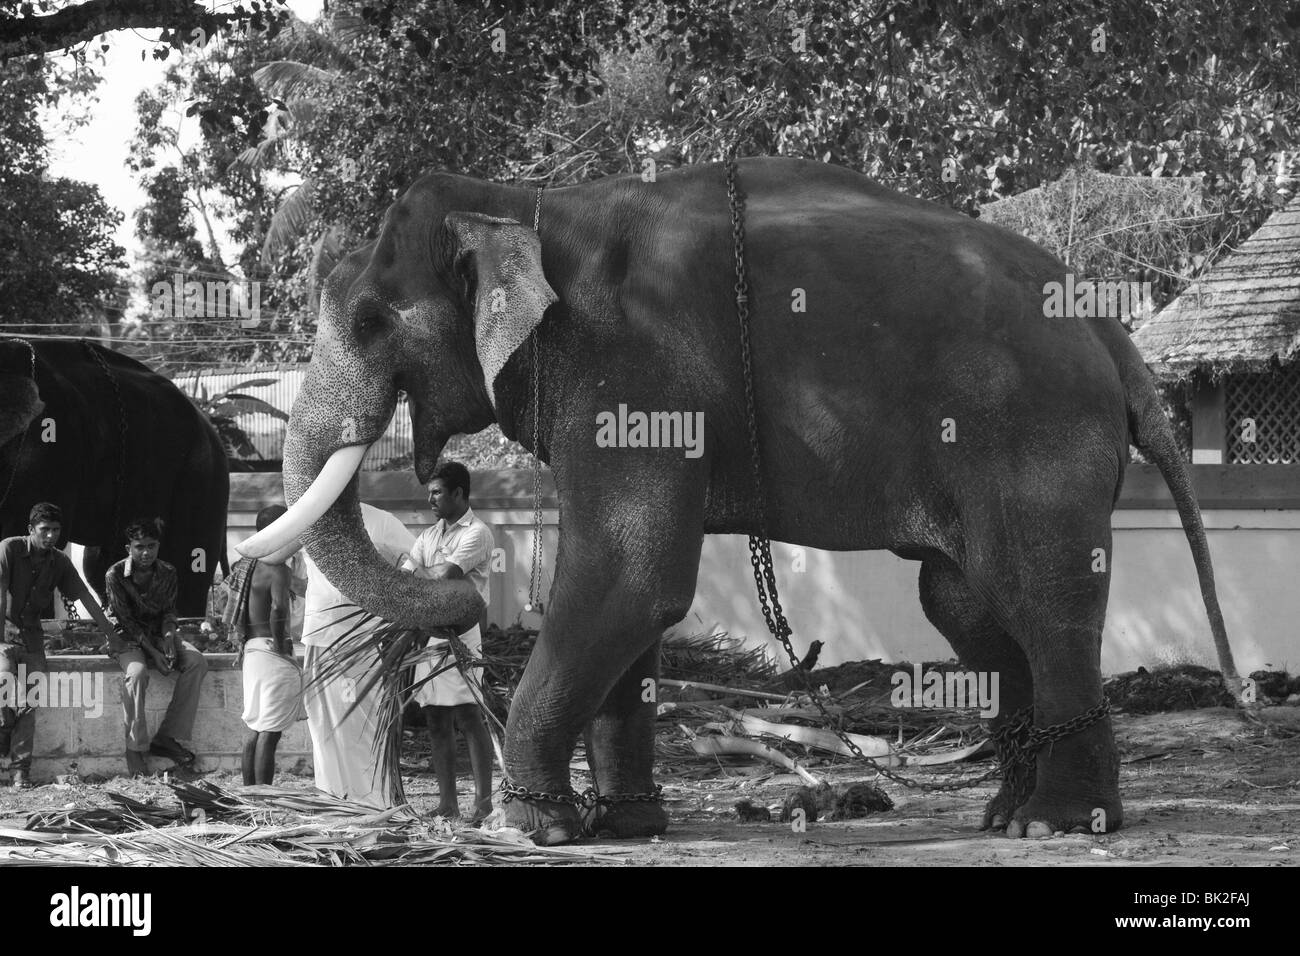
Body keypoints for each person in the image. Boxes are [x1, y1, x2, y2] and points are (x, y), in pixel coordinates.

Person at [400, 461, 496, 822]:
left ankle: (483, 803)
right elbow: (408, 579)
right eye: (429, 493)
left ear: (459, 493)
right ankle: (448, 803)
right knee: (436, 720)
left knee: (469, 717)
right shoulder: (428, 536)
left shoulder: (477, 532)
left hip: (463, 637)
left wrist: (419, 574)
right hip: (431, 637)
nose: (431, 499)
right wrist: (422, 575)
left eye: (437, 492)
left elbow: (445, 574)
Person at [302, 502, 414, 808]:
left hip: (359, 641)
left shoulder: (380, 521)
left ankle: (368, 801)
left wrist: (390, 595)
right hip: (318, 637)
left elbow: (417, 559)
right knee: (323, 723)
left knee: (358, 722)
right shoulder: (310, 515)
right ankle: (332, 797)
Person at [0, 503, 118, 789]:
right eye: (45, 530)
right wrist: (0, 639)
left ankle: (19, 772)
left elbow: (85, 598)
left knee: (29, 703)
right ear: (31, 530)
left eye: (55, 530)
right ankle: (4, 745)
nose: (51, 536)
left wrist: (111, 635)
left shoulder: (59, 562)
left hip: (31, 639)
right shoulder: (9, 549)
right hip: (3, 635)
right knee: (3, 697)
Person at [105, 517, 209, 775]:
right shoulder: (115, 574)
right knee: (137, 674)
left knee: (197, 662)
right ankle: (134, 747)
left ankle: (166, 737)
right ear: (128, 548)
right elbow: (125, 621)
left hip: (158, 635)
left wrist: (170, 634)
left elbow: (169, 611)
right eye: (139, 546)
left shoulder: (168, 572)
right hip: (127, 638)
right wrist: (154, 653)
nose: (146, 553)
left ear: (158, 546)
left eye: (151, 546)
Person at [227, 505, 304, 785]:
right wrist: (282, 645)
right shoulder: (277, 569)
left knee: (255, 727)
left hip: (251, 649)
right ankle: (263, 797)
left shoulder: (247, 566)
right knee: (269, 733)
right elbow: (278, 608)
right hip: (271, 651)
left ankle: (250, 793)